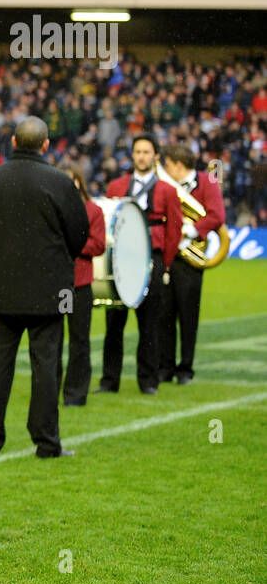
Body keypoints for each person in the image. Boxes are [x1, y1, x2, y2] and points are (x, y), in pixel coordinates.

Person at [0, 117, 88, 457]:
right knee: (46, 365)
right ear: (46, 145)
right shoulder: (59, 181)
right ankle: (46, 441)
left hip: (2, 286)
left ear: (12, 141)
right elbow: (79, 234)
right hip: (50, 289)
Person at [98, 134, 182, 395]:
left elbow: (175, 230)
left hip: (151, 261)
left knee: (149, 325)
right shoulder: (116, 186)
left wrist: (163, 264)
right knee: (114, 324)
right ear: (132, 156)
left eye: (147, 152)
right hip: (119, 261)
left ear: (156, 156)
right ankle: (109, 381)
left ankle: (148, 381)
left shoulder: (168, 191)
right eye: (138, 152)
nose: (142, 156)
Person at [159, 144, 225, 385]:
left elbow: (217, 215)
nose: (165, 170)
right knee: (164, 315)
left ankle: (185, 369)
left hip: (190, 259)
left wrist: (193, 229)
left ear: (178, 165)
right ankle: (164, 367)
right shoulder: (165, 184)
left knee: (188, 316)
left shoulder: (207, 182)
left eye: (168, 165)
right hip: (167, 257)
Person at [61, 165, 106, 407]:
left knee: (79, 340)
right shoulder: (52, 207)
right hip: (56, 284)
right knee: (53, 340)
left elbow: (98, 245)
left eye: (72, 181)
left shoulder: (93, 210)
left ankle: (75, 394)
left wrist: (72, 245)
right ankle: (50, 389)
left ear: (80, 182)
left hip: (79, 284)